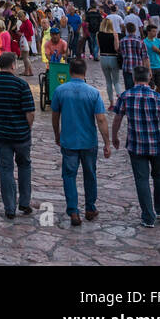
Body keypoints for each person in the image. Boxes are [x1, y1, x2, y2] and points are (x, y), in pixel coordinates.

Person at [111, 66, 160, 227]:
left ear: (134, 78)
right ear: (149, 78)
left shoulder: (125, 96)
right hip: (157, 145)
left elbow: (117, 119)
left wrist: (114, 136)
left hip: (136, 145)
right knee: (159, 177)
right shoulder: (159, 98)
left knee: (142, 180)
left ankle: (148, 217)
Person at [50, 58, 110, 225]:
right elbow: (101, 119)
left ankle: (74, 211)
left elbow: (55, 117)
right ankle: (90, 207)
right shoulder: (93, 93)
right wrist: (107, 142)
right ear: (85, 72)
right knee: (90, 174)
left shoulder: (60, 91)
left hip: (69, 140)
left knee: (69, 176)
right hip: (88, 141)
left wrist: (57, 134)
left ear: (70, 72)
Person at [0, 52, 35, 219]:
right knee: (24, 166)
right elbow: (30, 112)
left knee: (5, 169)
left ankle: (9, 207)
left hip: (1, 134)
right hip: (21, 134)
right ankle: (24, 201)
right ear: (13, 65)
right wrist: (27, 127)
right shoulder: (21, 85)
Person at [96, 12, 121, 109]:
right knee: (116, 81)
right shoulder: (114, 34)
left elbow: (99, 46)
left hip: (103, 57)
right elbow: (116, 47)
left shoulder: (98, 34)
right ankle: (119, 99)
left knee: (108, 82)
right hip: (113, 57)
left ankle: (111, 103)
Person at [118, 22, 147, 93]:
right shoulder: (140, 41)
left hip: (127, 67)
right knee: (139, 89)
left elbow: (121, 53)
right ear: (135, 30)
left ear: (127, 30)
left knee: (128, 89)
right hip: (138, 68)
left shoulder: (122, 41)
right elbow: (145, 56)